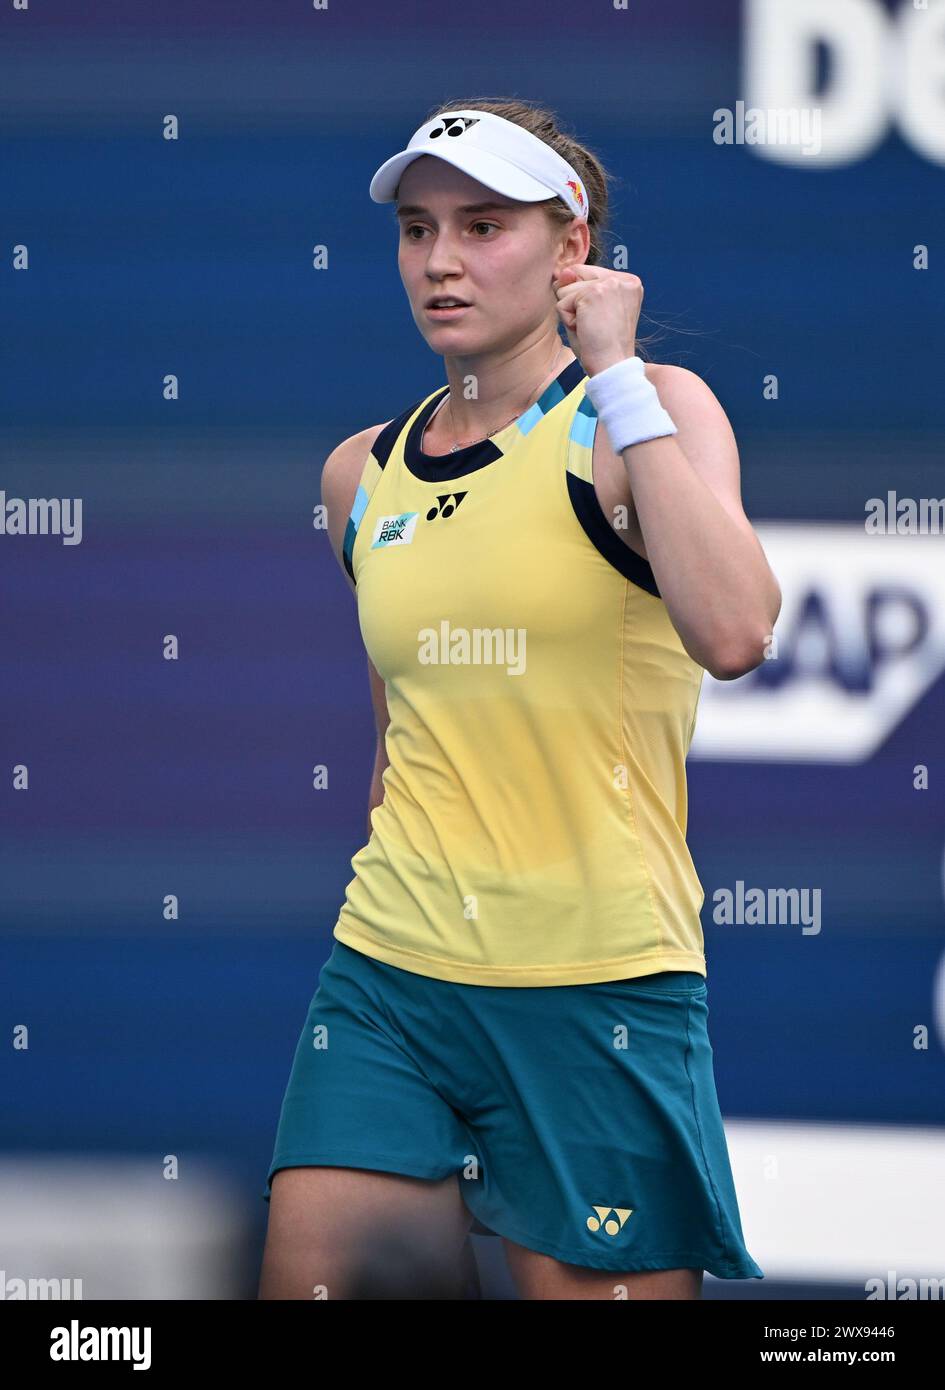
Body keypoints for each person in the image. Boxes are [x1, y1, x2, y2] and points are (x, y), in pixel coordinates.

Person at [258, 98, 780, 1301]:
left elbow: (739, 630)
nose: (440, 260)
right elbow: (406, 740)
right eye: (418, 228)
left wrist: (618, 373)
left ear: (571, 248)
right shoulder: (361, 472)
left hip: (597, 984)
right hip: (390, 972)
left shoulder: (650, 412)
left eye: (484, 225)